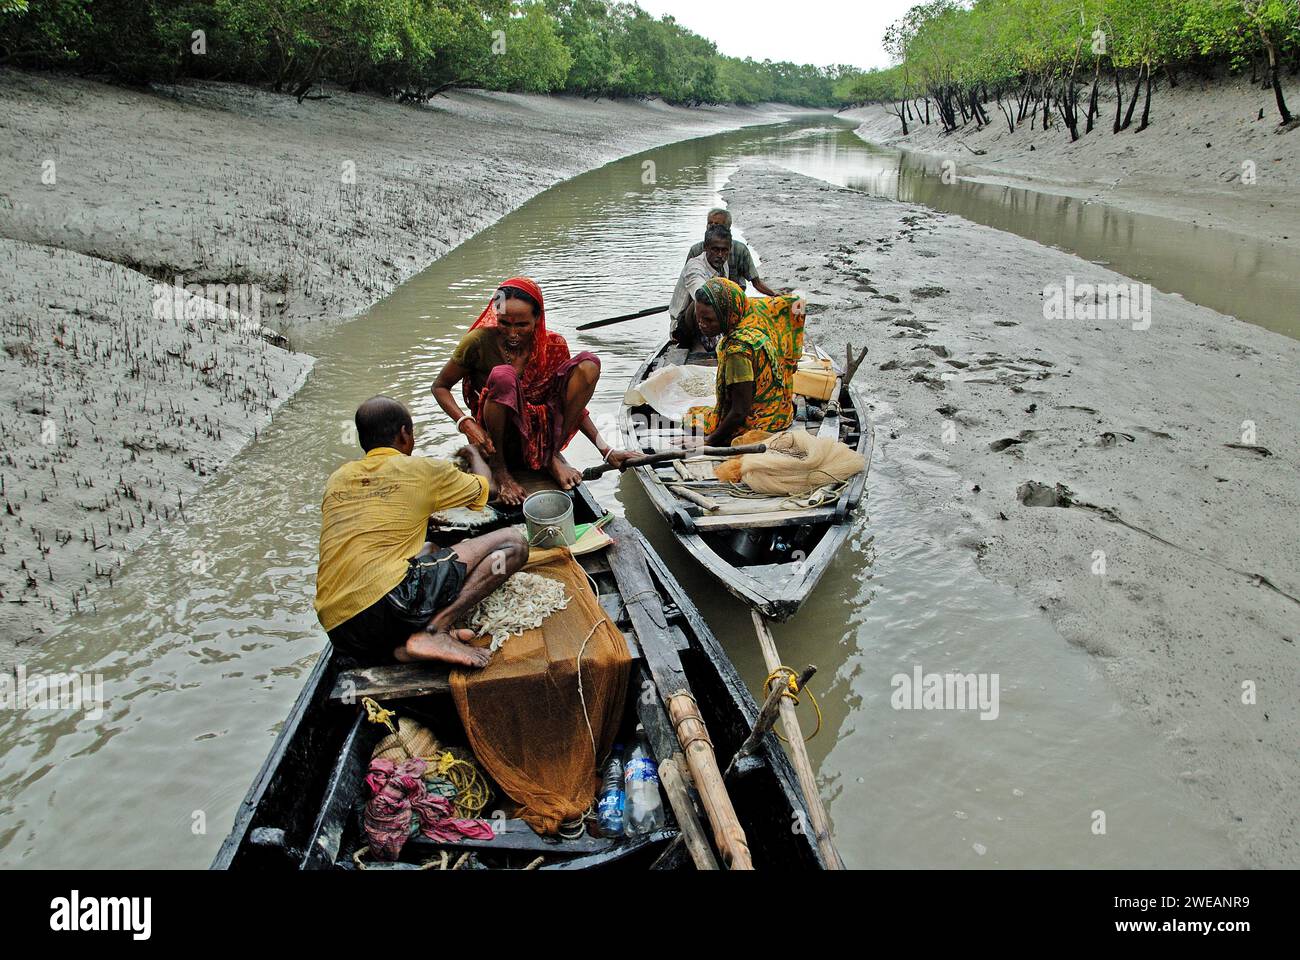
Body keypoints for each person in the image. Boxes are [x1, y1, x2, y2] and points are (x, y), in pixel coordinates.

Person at [315, 396, 527, 667]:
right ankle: (434, 631)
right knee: (513, 543)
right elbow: (489, 489)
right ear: (405, 434)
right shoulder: (421, 470)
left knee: (429, 549)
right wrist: (473, 453)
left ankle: (404, 647)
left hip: (342, 630)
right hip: (389, 602)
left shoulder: (338, 479)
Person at [432, 277, 636, 505]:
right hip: (498, 440)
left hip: (542, 437)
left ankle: (549, 457)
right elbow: (440, 387)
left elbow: (570, 405)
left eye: (522, 325)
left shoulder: (554, 346)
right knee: (503, 376)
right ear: (495, 315)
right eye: (504, 323)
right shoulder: (478, 342)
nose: (512, 333)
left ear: (537, 318)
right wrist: (466, 423)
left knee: (589, 364)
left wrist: (606, 451)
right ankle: (501, 470)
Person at [683, 277, 806, 446]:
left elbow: (739, 412)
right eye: (699, 318)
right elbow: (796, 301)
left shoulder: (737, 351)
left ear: (728, 314)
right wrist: (792, 356)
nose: (702, 325)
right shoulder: (754, 308)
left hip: (761, 426)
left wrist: (709, 440)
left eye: (710, 320)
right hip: (782, 410)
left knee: (691, 417)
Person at [685, 208, 779, 298]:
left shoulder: (740, 250)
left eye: (717, 224)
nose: (712, 227)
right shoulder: (696, 250)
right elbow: (689, 280)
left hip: (734, 299)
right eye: (710, 223)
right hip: (704, 299)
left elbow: (756, 282)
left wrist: (774, 294)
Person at [669, 222, 733, 349]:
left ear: (729, 250)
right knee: (702, 299)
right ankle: (698, 346)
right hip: (683, 328)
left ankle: (716, 340)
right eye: (715, 249)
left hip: (711, 318)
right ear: (706, 248)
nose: (720, 255)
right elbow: (702, 294)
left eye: (724, 250)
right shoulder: (694, 267)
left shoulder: (722, 263)